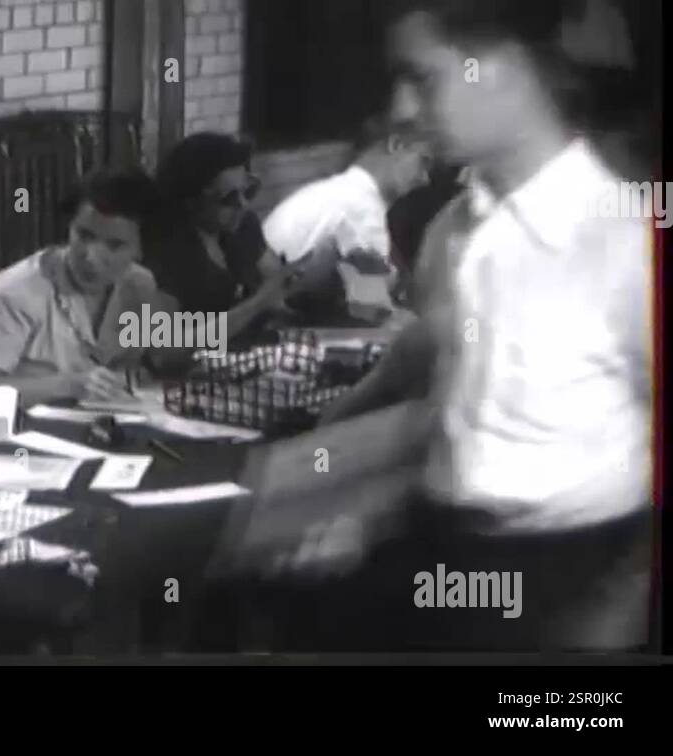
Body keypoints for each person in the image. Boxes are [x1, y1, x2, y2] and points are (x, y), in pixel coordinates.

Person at [223, 0, 655, 652]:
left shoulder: (624, 237)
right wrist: (367, 519)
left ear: (505, 68)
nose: (402, 109)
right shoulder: (460, 232)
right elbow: (463, 419)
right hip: (454, 549)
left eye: (424, 79)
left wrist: (628, 602)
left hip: (569, 577)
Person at [0, 169, 173, 403]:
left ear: (140, 249)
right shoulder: (18, 289)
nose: (90, 257)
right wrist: (67, 385)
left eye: (115, 245)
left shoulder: (140, 285)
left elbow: (147, 364)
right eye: (84, 235)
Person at [262, 122, 433, 323]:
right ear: (396, 145)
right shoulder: (360, 206)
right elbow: (370, 308)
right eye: (423, 162)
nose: (425, 179)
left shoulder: (338, 193)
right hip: (264, 324)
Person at [144, 132, 307, 342]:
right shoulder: (166, 253)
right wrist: (257, 304)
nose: (243, 204)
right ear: (191, 201)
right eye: (229, 198)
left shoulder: (243, 227)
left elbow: (274, 285)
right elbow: (163, 349)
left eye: (248, 191)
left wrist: (299, 286)